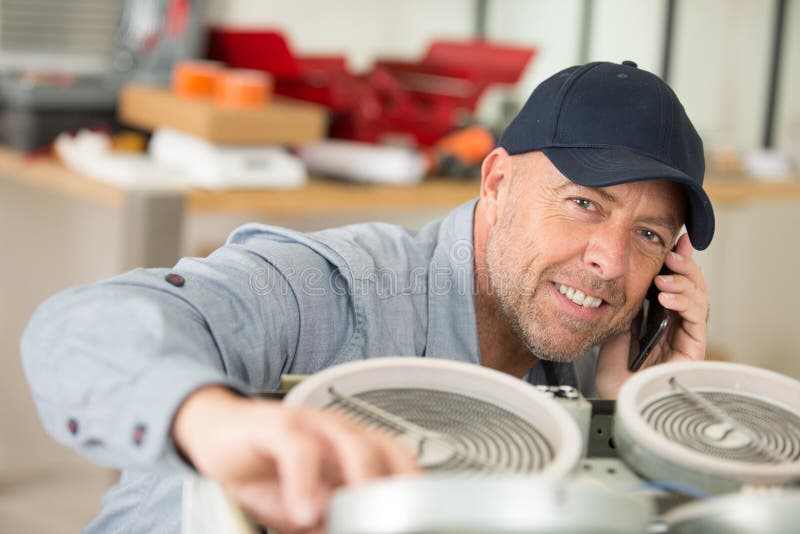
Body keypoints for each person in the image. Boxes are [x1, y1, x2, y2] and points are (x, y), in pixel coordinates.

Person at [21, 60, 712, 533]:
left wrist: (641, 428)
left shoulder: (586, 356)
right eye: (585, 203)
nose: (611, 261)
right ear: (497, 184)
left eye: (650, 233)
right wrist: (213, 421)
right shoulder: (337, 290)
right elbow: (80, 328)